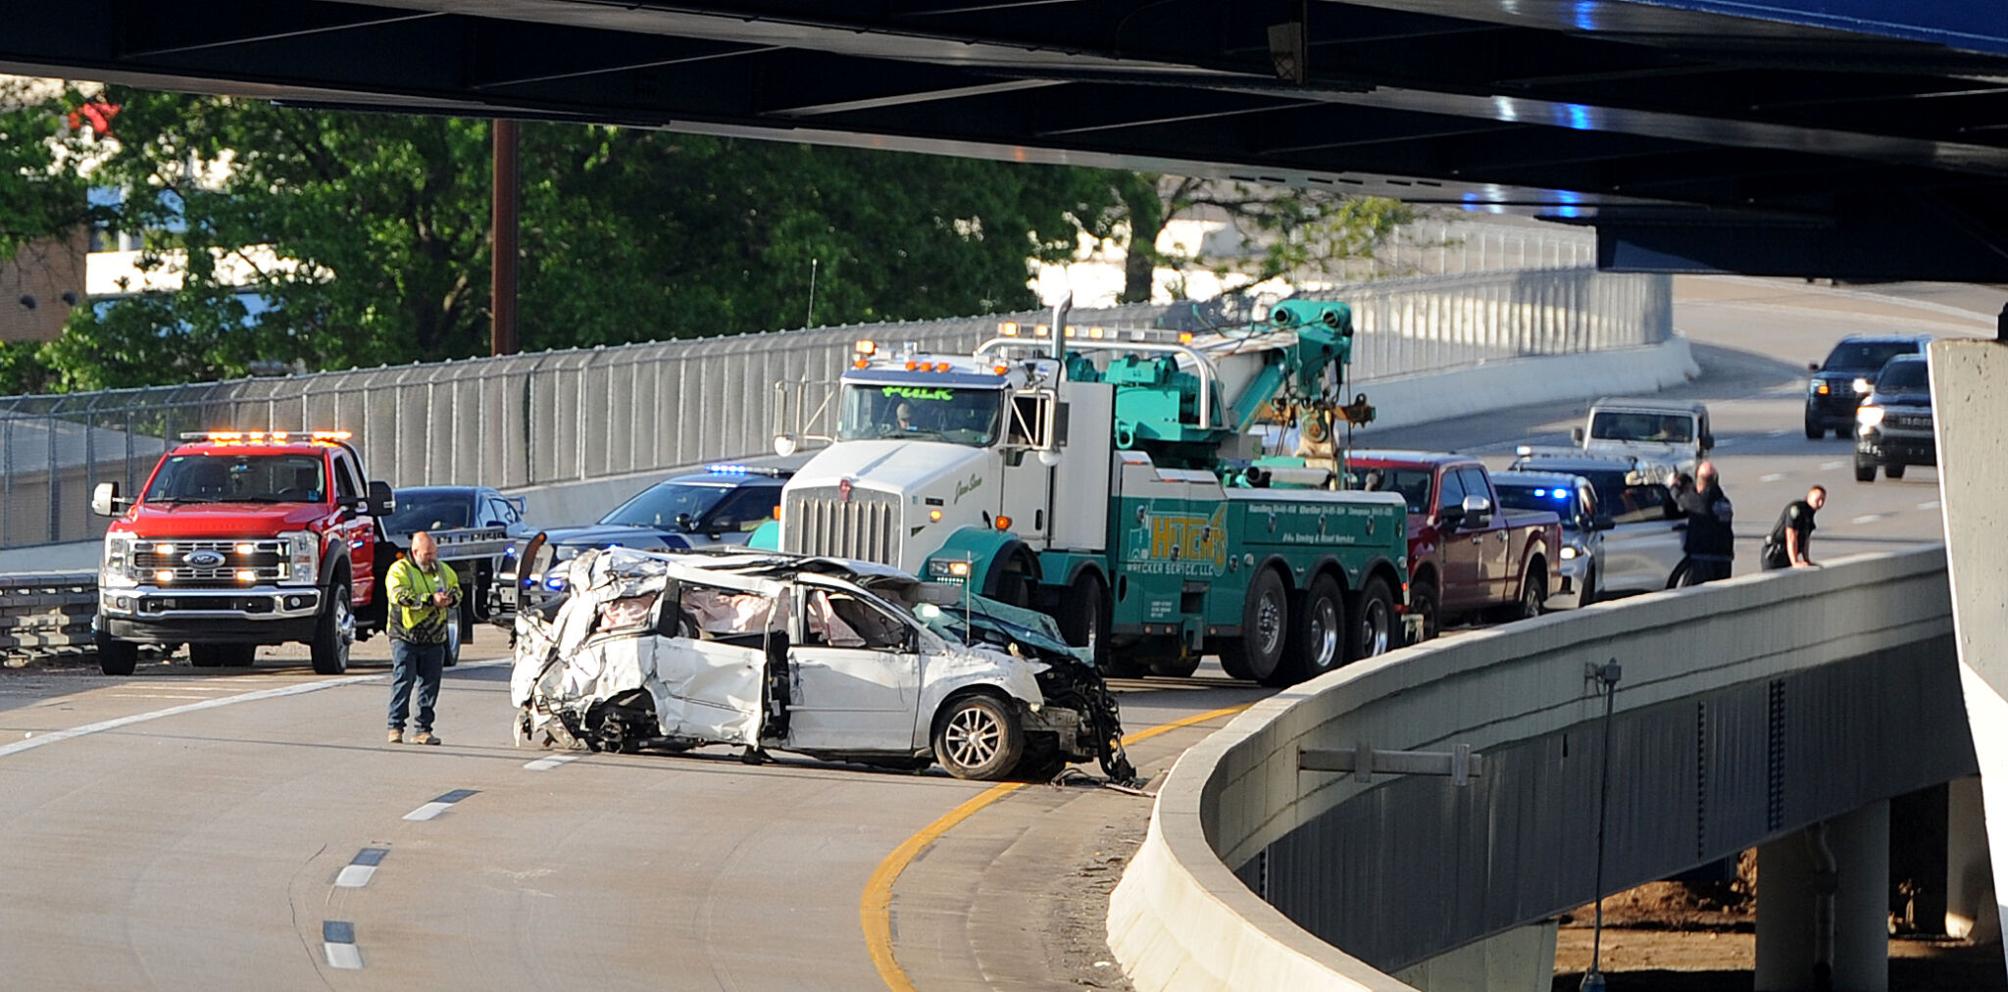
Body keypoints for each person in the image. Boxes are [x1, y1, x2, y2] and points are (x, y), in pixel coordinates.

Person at [386, 531, 462, 745]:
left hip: (435, 637)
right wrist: (431, 600)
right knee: (404, 680)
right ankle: (395, 726)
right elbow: (399, 596)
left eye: (434, 553)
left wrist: (451, 598)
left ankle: (423, 730)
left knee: (430, 684)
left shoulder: (442, 570)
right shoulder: (399, 570)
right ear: (415, 552)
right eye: (427, 554)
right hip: (405, 635)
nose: (431, 558)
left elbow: (457, 590)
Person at [1675, 461, 1735, 585]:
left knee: (1691, 599)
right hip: (1724, 560)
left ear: (1699, 481)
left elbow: (1681, 498)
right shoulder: (1724, 502)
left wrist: (1674, 485)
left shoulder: (1702, 502)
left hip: (1703, 560)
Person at [1762, 485, 1826, 570]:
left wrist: (1806, 559)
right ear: (1808, 497)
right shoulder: (1797, 509)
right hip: (1776, 555)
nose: (1820, 503)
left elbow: (1806, 538)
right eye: (1818, 499)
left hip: (1787, 555)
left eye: (1823, 500)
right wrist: (1795, 562)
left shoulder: (1809, 513)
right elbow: (1791, 537)